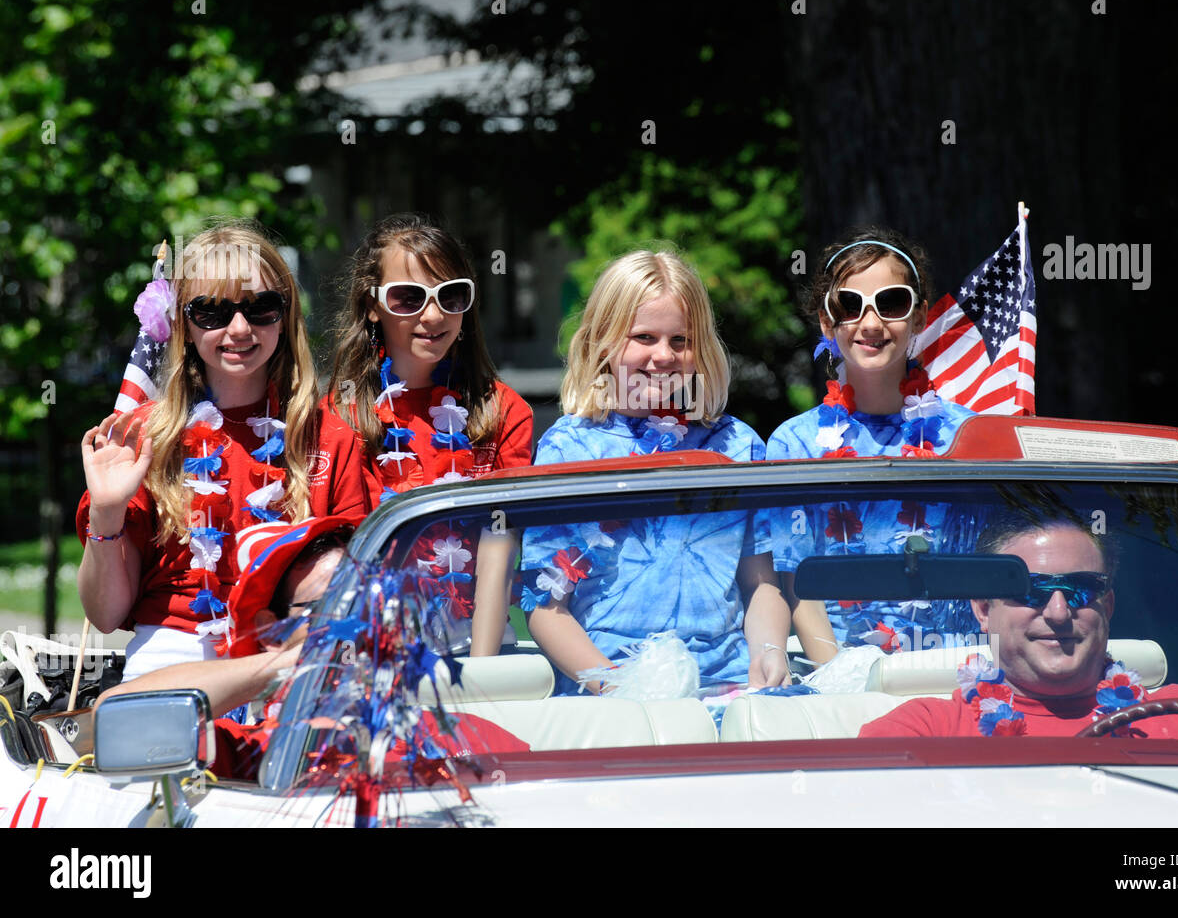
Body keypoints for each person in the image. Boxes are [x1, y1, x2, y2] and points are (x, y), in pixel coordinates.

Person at [77, 223, 371, 680]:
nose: (239, 328)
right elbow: (105, 616)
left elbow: (348, 594)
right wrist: (107, 512)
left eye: (260, 307)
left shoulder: (329, 437)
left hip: (292, 657)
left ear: (285, 316)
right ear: (184, 326)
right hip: (175, 659)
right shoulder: (140, 436)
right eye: (212, 311)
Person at [519, 249, 790, 695]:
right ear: (603, 341)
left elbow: (760, 583)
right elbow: (547, 607)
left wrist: (770, 652)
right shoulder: (568, 449)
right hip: (610, 691)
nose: (663, 356)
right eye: (643, 337)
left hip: (727, 685)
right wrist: (620, 687)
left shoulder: (737, 446)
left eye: (680, 341)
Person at [96, 517, 529, 780]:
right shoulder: (248, 750)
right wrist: (289, 663)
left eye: (367, 599)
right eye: (331, 605)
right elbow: (114, 712)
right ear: (271, 631)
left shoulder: (461, 734)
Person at [858, 512, 1178, 740]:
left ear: (1107, 606)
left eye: (1080, 589)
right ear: (983, 609)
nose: (1056, 612)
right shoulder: (925, 730)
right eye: (1029, 590)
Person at [766, 228, 978, 662]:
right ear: (827, 321)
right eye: (849, 305)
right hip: (841, 669)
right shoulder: (794, 443)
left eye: (892, 302)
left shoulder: (967, 434)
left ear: (918, 318)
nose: (871, 323)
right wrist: (840, 679)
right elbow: (796, 582)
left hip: (955, 665)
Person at [327, 214, 533, 657]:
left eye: (451, 295)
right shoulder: (336, 416)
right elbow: (343, 553)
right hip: (376, 644)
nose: (434, 315)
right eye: (408, 298)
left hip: (483, 638)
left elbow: (502, 544)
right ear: (371, 304)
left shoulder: (502, 410)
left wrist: (482, 665)